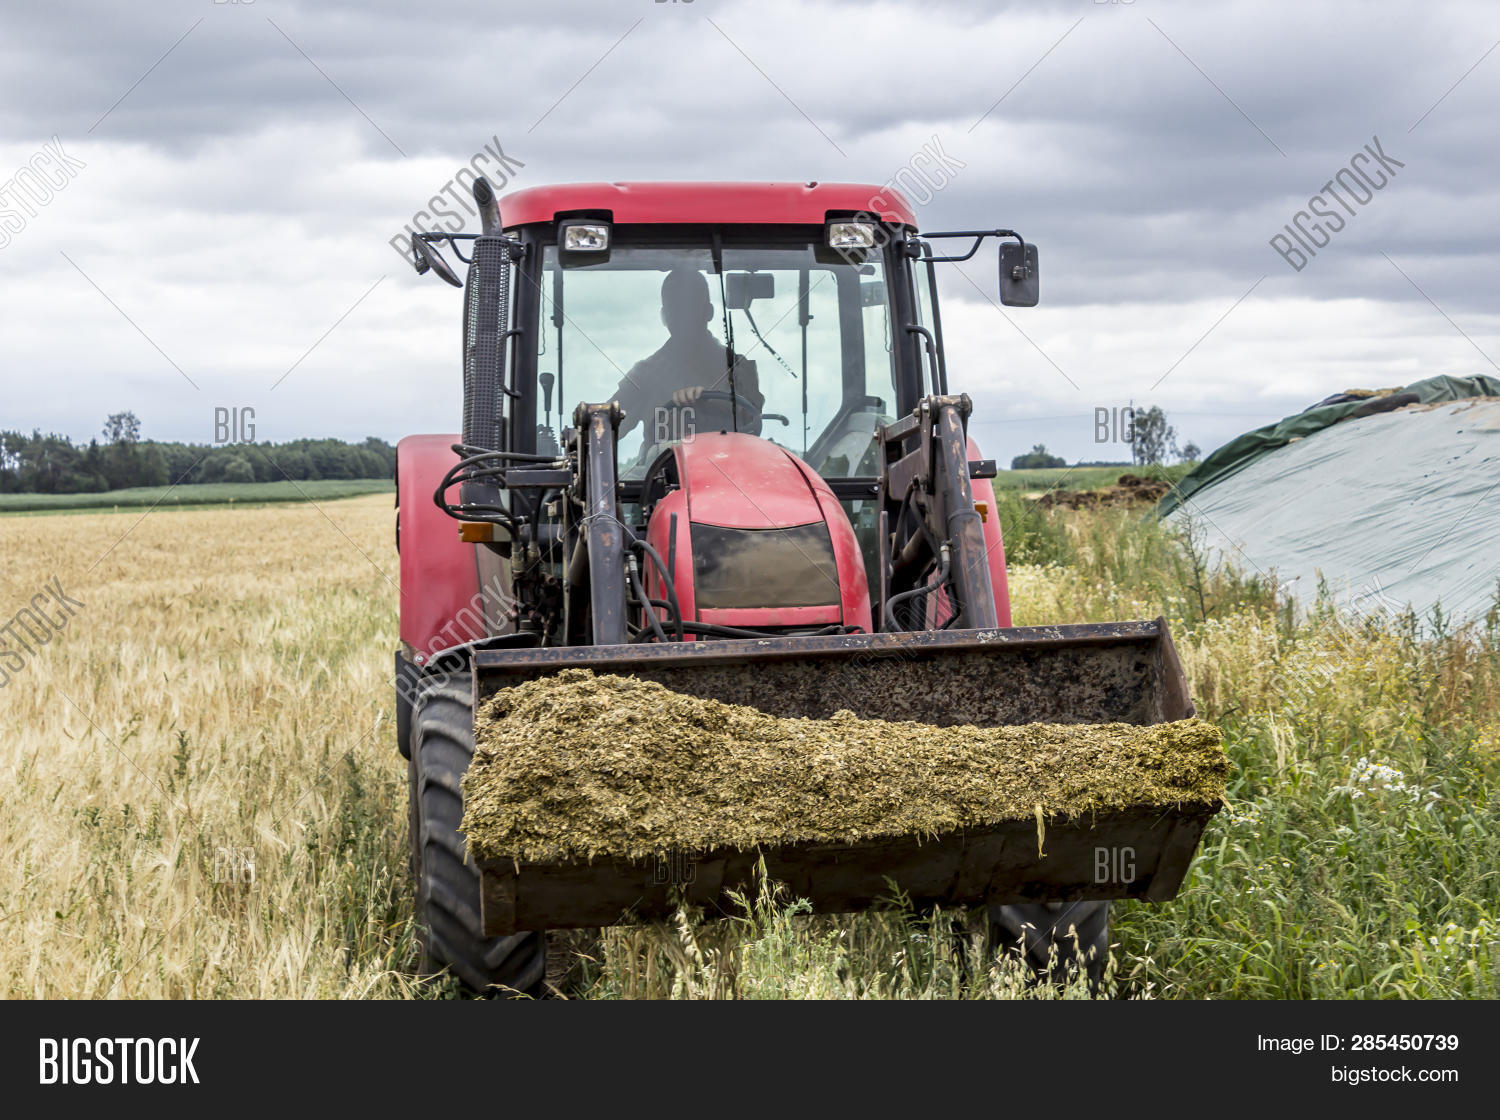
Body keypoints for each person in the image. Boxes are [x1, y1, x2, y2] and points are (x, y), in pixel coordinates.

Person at [612, 268, 762, 444]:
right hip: (661, 469)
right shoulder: (644, 374)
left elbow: (752, 423)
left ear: (709, 311)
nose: (681, 317)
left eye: (689, 307)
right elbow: (605, 426)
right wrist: (588, 422)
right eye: (673, 309)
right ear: (664, 316)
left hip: (729, 465)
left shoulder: (739, 369)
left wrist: (706, 403)